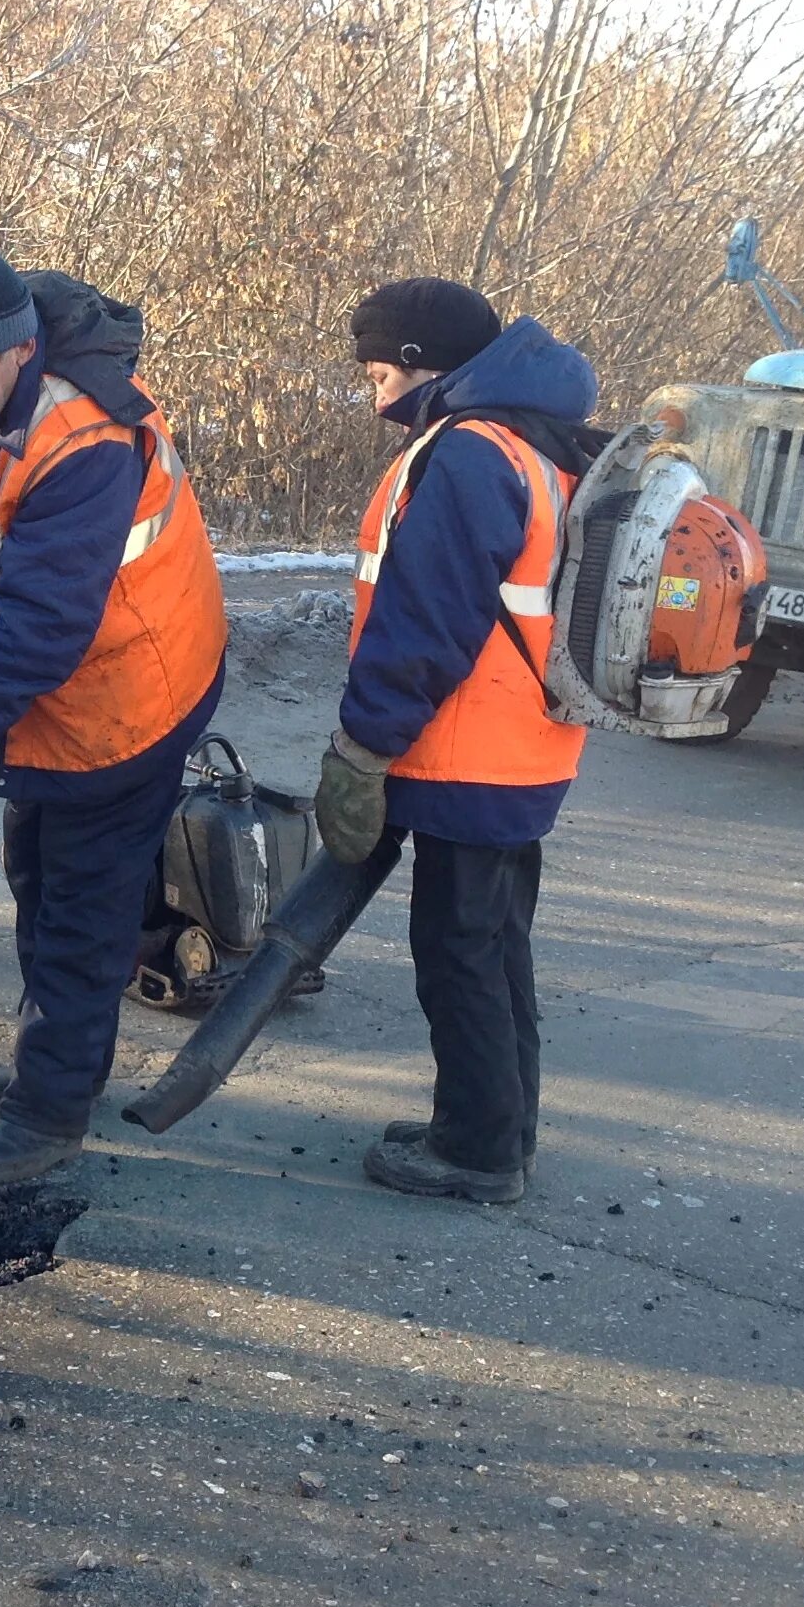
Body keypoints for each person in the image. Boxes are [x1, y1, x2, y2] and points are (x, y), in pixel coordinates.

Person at [0, 235, 228, 1185]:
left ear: (20, 346)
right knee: (32, 865)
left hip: (136, 686)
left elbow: (41, 631)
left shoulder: (86, 442)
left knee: (81, 896)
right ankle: (53, 1061)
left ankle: (50, 1113)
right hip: (69, 677)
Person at [309, 277, 596, 1205]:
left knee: (460, 953)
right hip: (528, 751)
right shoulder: (535, 443)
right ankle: (497, 1125)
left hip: (469, 752)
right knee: (497, 945)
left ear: (419, 364)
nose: (373, 390)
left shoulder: (470, 452)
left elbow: (424, 621)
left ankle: (477, 1152)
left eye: (376, 369)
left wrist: (363, 746)